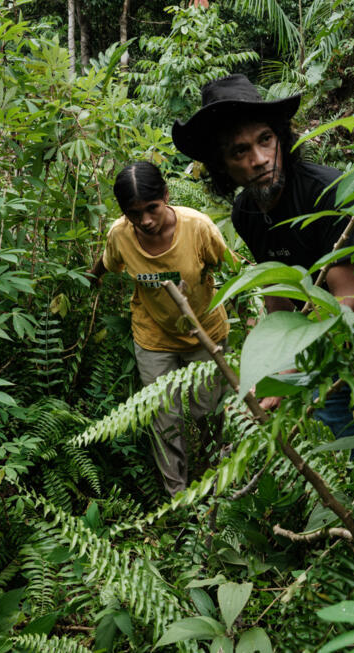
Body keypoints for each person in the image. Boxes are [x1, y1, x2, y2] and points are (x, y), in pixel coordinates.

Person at [172, 74, 354, 434]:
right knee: (352, 455)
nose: (260, 159)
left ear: (280, 138)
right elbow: (280, 300)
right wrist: (267, 368)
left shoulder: (331, 191)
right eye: (240, 151)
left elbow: (349, 304)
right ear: (222, 167)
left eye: (265, 140)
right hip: (328, 352)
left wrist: (289, 372)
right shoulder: (246, 214)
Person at [89, 161, 230, 496]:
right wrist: (90, 279)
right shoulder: (121, 234)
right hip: (154, 337)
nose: (145, 221)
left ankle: (218, 491)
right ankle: (176, 498)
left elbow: (234, 269)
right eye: (133, 213)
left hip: (204, 332)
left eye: (151, 208)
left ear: (166, 196)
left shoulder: (197, 228)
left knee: (210, 413)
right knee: (163, 418)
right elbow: (107, 262)